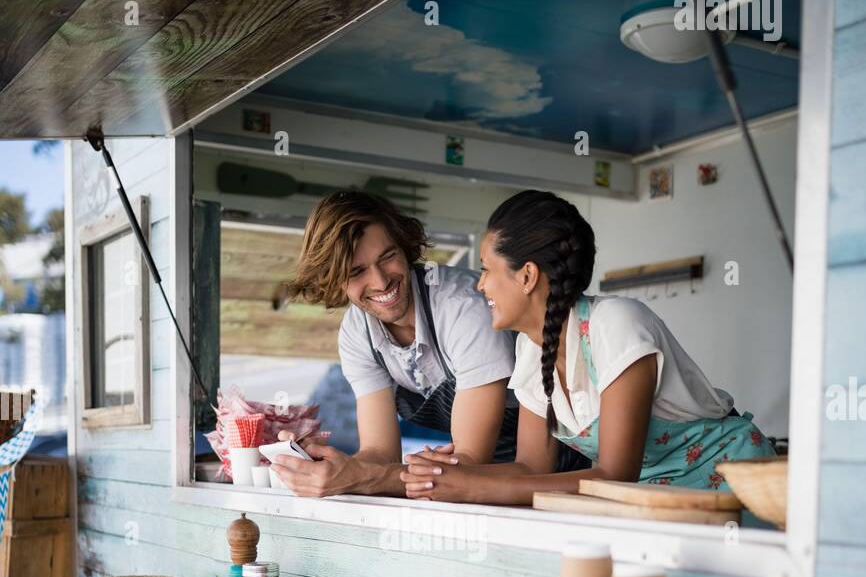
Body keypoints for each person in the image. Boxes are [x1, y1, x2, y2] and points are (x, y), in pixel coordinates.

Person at [401, 189, 776, 504]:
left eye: (486, 269)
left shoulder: (616, 323)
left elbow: (616, 474)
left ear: (528, 276)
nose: (480, 285)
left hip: (734, 487)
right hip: (657, 500)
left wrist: (477, 487)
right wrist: (449, 475)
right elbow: (532, 467)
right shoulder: (531, 350)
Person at [270, 191, 519, 497]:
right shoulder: (357, 332)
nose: (380, 282)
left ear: (404, 245)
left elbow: (466, 466)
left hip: (536, 474)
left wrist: (362, 477)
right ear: (334, 279)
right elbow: (379, 453)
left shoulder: (463, 309)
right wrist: (333, 468)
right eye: (356, 272)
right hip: (468, 486)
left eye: (387, 257)